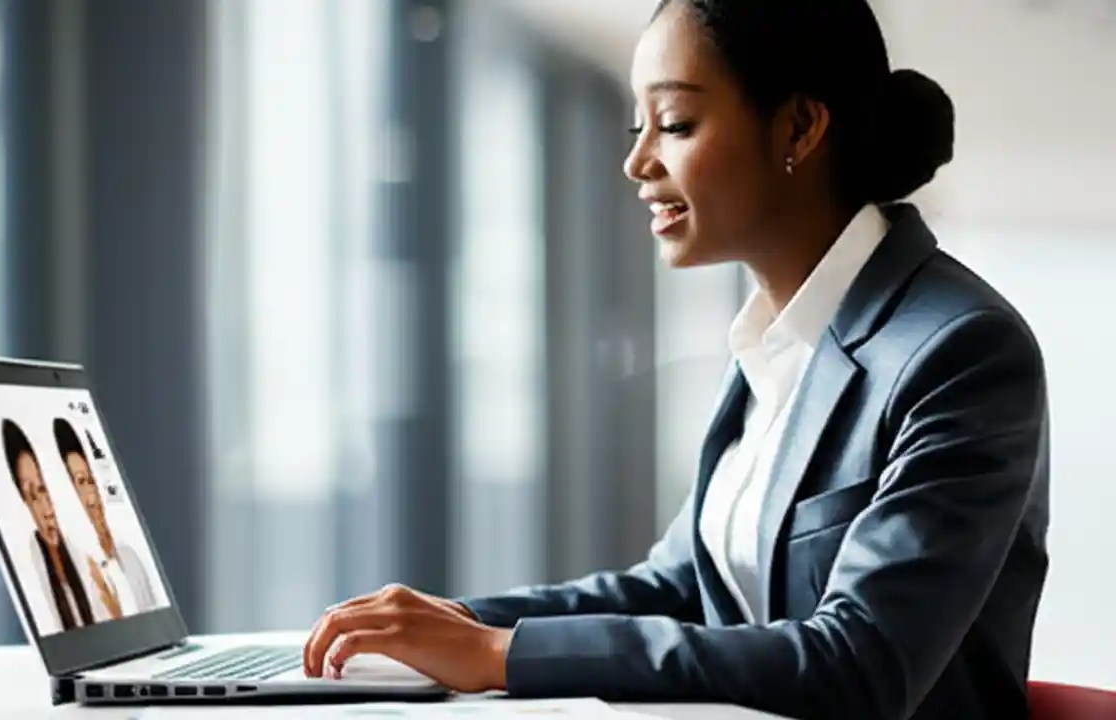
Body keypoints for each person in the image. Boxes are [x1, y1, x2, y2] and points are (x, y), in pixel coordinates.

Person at [302, 1, 1050, 718]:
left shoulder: (959, 352)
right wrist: (452, 625)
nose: (636, 161)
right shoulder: (772, 343)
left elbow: (859, 666)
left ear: (798, 127)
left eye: (675, 124)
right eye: (640, 126)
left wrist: (502, 653)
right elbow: (682, 587)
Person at [53, 417, 158, 618]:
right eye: (81, 482)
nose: (92, 497)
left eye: (92, 481)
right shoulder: (79, 579)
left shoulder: (129, 556)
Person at [2, 419, 96, 633]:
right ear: (23, 503)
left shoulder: (83, 560)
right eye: (32, 496)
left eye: (43, 489)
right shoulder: (33, 572)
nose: (47, 510)